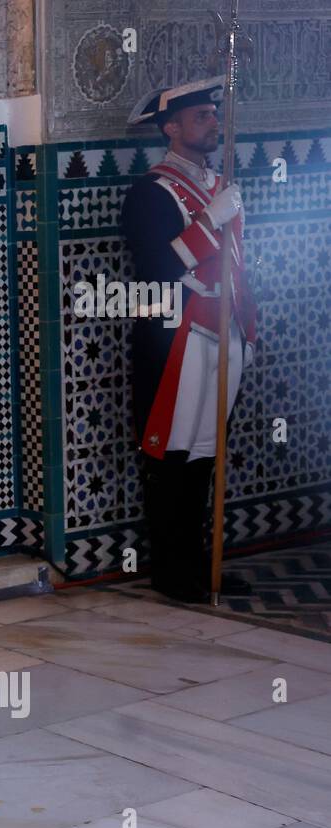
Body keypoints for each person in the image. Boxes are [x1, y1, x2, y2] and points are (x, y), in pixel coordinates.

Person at [122, 76, 258, 603]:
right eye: (201, 116)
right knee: (173, 457)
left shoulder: (216, 183)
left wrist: (248, 323)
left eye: (212, 115)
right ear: (172, 128)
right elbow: (156, 267)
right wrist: (209, 220)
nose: (212, 123)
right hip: (178, 339)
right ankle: (172, 571)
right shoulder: (151, 191)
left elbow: (236, 263)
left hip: (225, 331)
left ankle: (203, 564)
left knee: (206, 456)